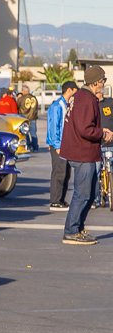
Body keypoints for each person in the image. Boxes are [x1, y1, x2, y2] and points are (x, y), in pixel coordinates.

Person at [61, 65, 113, 244]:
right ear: (97, 82)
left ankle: (78, 227)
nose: (104, 83)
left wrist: (99, 131)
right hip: (82, 153)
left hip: (83, 152)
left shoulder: (80, 97)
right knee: (82, 194)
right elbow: (85, 128)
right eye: (103, 80)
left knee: (90, 194)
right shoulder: (87, 99)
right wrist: (102, 133)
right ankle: (71, 230)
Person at [47, 81, 78, 211]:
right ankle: (55, 201)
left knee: (66, 173)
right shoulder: (57, 105)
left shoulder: (66, 105)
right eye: (76, 90)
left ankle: (61, 199)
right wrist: (56, 145)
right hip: (59, 145)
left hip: (65, 145)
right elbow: (54, 126)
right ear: (69, 90)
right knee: (59, 172)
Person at [16, 85, 40, 151]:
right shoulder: (34, 98)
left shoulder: (21, 98)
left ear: (24, 91)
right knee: (33, 133)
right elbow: (36, 108)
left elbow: (17, 106)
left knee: (25, 133)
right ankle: (35, 147)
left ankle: (29, 146)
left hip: (24, 118)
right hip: (33, 118)